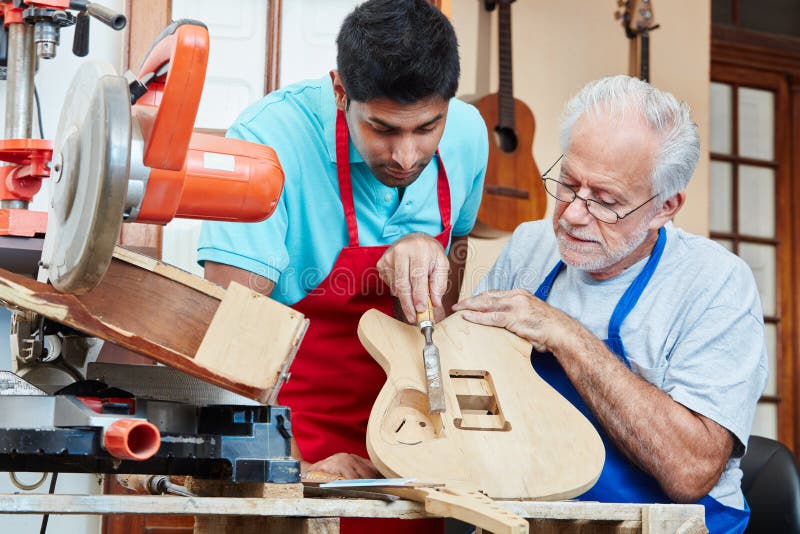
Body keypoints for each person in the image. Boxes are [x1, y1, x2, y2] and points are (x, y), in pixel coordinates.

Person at [198, 1, 487, 532]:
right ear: (339, 92)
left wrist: (434, 275)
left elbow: (460, 239)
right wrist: (289, 473)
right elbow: (229, 352)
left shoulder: (468, 135)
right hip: (286, 450)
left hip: (409, 462)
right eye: (382, 129)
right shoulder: (266, 143)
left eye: (427, 127)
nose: (406, 155)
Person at [453, 75, 768, 534]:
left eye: (605, 201)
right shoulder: (528, 248)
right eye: (568, 183)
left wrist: (566, 335)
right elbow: (470, 382)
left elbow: (690, 472)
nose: (573, 214)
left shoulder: (716, 284)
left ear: (665, 207)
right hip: (538, 515)